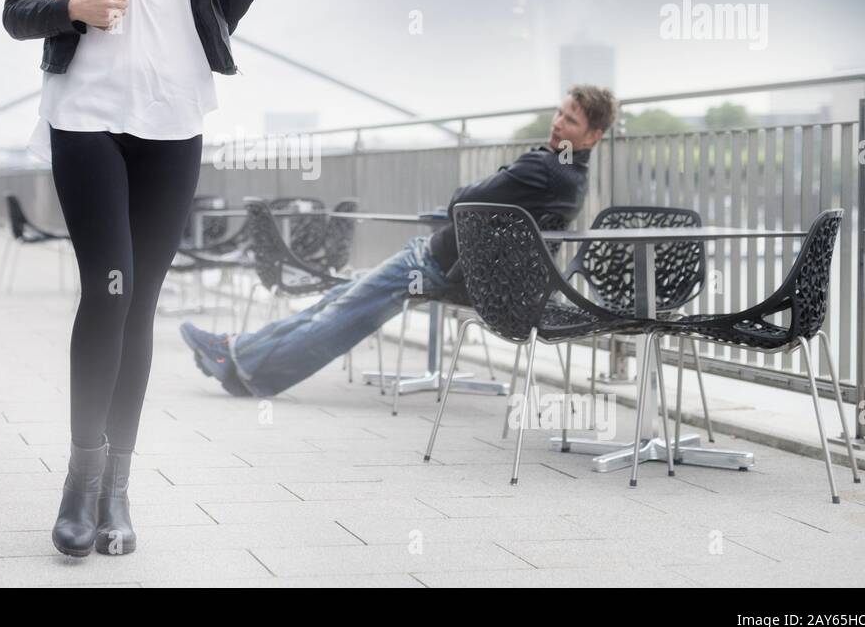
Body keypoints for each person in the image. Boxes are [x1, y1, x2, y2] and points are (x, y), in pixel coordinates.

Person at [1, 0, 306, 558]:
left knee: (140, 303)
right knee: (108, 290)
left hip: (173, 122)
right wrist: (75, 6)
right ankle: (78, 478)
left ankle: (118, 490)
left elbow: (218, 18)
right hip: (87, 117)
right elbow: (17, 12)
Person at [181, 85, 618, 397]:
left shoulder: (543, 169)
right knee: (336, 305)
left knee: (341, 314)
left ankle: (248, 367)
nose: (558, 123)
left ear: (593, 135)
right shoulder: (571, 177)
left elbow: (461, 202)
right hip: (461, 267)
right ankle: (238, 356)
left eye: (571, 120)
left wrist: (496, 180)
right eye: (560, 113)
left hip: (436, 264)